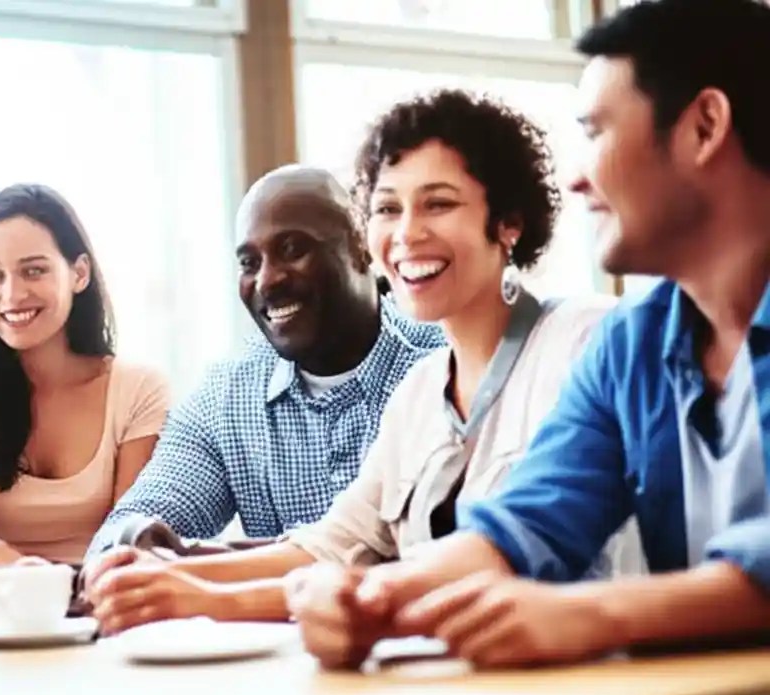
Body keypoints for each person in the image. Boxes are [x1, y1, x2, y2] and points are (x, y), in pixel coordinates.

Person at [290, 0, 770, 670]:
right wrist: (371, 598)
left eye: (597, 132)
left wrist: (590, 616)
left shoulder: (581, 334)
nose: (577, 177)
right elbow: (525, 527)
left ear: (704, 127)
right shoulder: (631, 347)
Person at [89, 91, 642, 635]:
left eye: (438, 204)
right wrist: (167, 575)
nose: (406, 234)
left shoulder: (583, 339)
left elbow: (508, 550)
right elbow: (332, 545)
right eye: (387, 208)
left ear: (508, 223)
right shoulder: (422, 393)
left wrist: (204, 597)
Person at [78, 165, 443, 572]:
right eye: (249, 263)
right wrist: (139, 541)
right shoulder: (227, 397)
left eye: (292, 249)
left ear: (363, 247)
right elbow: (130, 527)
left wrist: (217, 562)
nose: (267, 282)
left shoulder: (443, 368)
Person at [0, 183, 170, 571]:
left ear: (79, 274)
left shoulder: (139, 389)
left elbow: (130, 551)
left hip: (112, 612)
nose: (12, 295)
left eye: (33, 271)